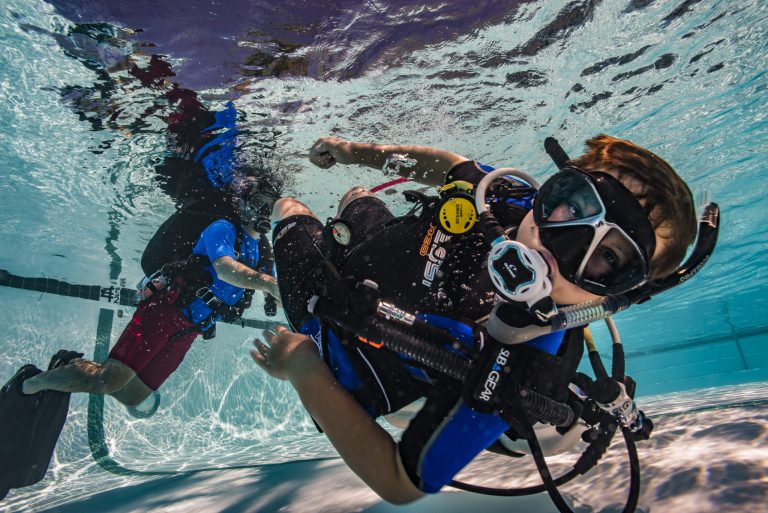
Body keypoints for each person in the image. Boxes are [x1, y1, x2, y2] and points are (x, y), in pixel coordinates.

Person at [249, 134, 698, 504]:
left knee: (288, 210)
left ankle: (260, 208)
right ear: (556, 188)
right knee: (356, 196)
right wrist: (357, 154)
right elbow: (451, 166)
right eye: (577, 206)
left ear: (621, 293)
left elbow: (399, 482)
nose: (562, 243)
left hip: (333, 327)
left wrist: (304, 369)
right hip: (384, 247)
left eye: (607, 256)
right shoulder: (507, 198)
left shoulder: (524, 366)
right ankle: (333, 206)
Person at [21, 177, 281, 410]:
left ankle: (70, 371)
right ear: (243, 202)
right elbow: (224, 269)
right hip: (167, 310)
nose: (264, 212)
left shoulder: (261, 249)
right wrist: (268, 283)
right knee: (108, 380)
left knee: (132, 395)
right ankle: (32, 382)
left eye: (270, 206)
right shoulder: (223, 228)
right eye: (259, 203)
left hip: (192, 327)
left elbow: (278, 291)